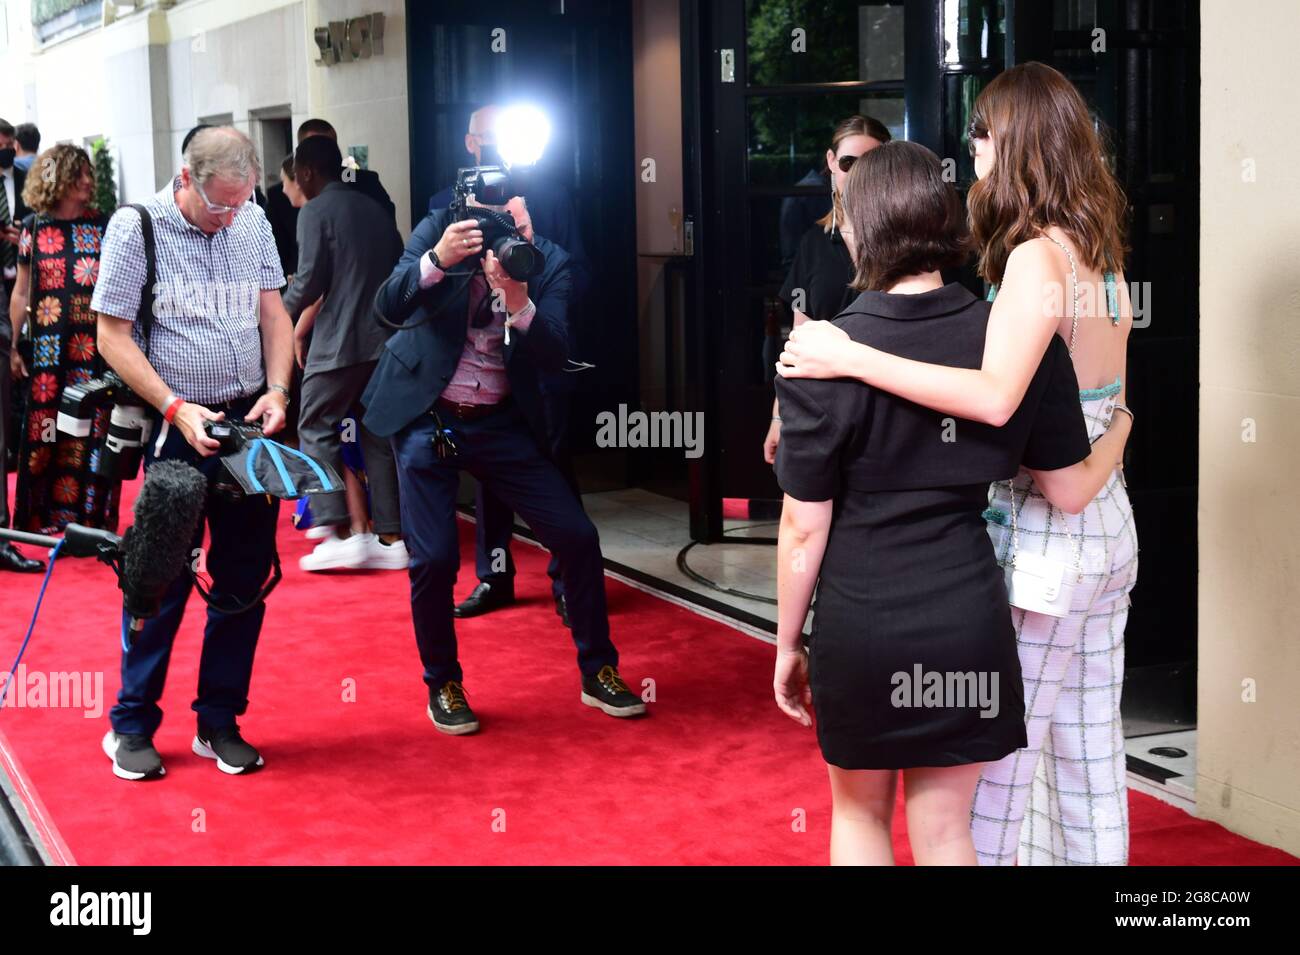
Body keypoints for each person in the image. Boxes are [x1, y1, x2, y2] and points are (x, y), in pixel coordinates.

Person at [777, 62, 1137, 865]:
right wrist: (1120, 432)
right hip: (1101, 513)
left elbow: (995, 397)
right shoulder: (1099, 253)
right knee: (1087, 762)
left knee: (995, 801)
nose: (972, 154)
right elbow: (1087, 421)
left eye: (982, 138)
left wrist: (853, 352)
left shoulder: (1035, 262)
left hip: (1046, 537)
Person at [363, 194, 645, 734]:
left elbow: (560, 354)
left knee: (577, 536)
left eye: (508, 216)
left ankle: (599, 669)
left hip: (501, 421)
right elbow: (386, 307)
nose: (496, 228)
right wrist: (437, 261)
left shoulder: (549, 260)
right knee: (436, 559)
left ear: (528, 213)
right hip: (429, 413)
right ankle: (442, 681)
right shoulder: (442, 231)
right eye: (485, 214)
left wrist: (518, 298)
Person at [93, 126, 293, 780]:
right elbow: (112, 336)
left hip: (246, 426)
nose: (229, 218)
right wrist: (175, 406)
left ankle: (218, 720)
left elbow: (274, 315)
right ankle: (131, 724)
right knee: (158, 578)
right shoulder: (136, 228)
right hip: (176, 425)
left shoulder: (253, 222)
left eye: (240, 204)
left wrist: (279, 389)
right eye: (218, 207)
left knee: (243, 581)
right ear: (186, 179)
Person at [428, 103, 594, 626]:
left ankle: (569, 582)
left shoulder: (550, 198)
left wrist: (534, 292)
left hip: (538, 363)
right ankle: (494, 577)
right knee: (487, 476)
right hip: (477, 374)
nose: (498, 146)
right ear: (470, 144)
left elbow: (581, 272)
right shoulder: (444, 205)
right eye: (489, 138)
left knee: (555, 467)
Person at [282, 134, 406, 571]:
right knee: (377, 436)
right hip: (384, 341)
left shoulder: (316, 211)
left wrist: (278, 317)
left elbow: (311, 280)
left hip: (338, 343)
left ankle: (334, 530)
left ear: (307, 173)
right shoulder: (374, 209)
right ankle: (391, 539)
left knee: (315, 425)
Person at [765, 114, 890, 465]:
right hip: (823, 407)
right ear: (832, 163)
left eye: (872, 163)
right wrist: (779, 417)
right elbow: (798, 342)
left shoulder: (904, 242)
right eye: (850, 162)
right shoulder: (814, 244)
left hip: (889, 405)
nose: (860, 174)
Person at [8, 145, 119, 535]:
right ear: (59, 180)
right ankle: (40, 517)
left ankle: (87, 518)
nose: (89, 182)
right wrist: (13, 346)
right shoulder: (33, 229)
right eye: (79, 175)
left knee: (91, 432)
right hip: (48, 354)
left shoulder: (104, 226)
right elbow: (21, 293)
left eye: (90, 174)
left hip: (94, 352)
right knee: (46, 430)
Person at [0, 117, 42, 573]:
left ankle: (3, 533)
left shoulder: (27, 182)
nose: (8, 153)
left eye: (11, 146)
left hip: (16, 298)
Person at [297, 118, 395, 222]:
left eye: (332, 146)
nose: (327, 153)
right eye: (318, 147)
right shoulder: (285, 194)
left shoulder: (363, 180)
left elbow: (386, 220)